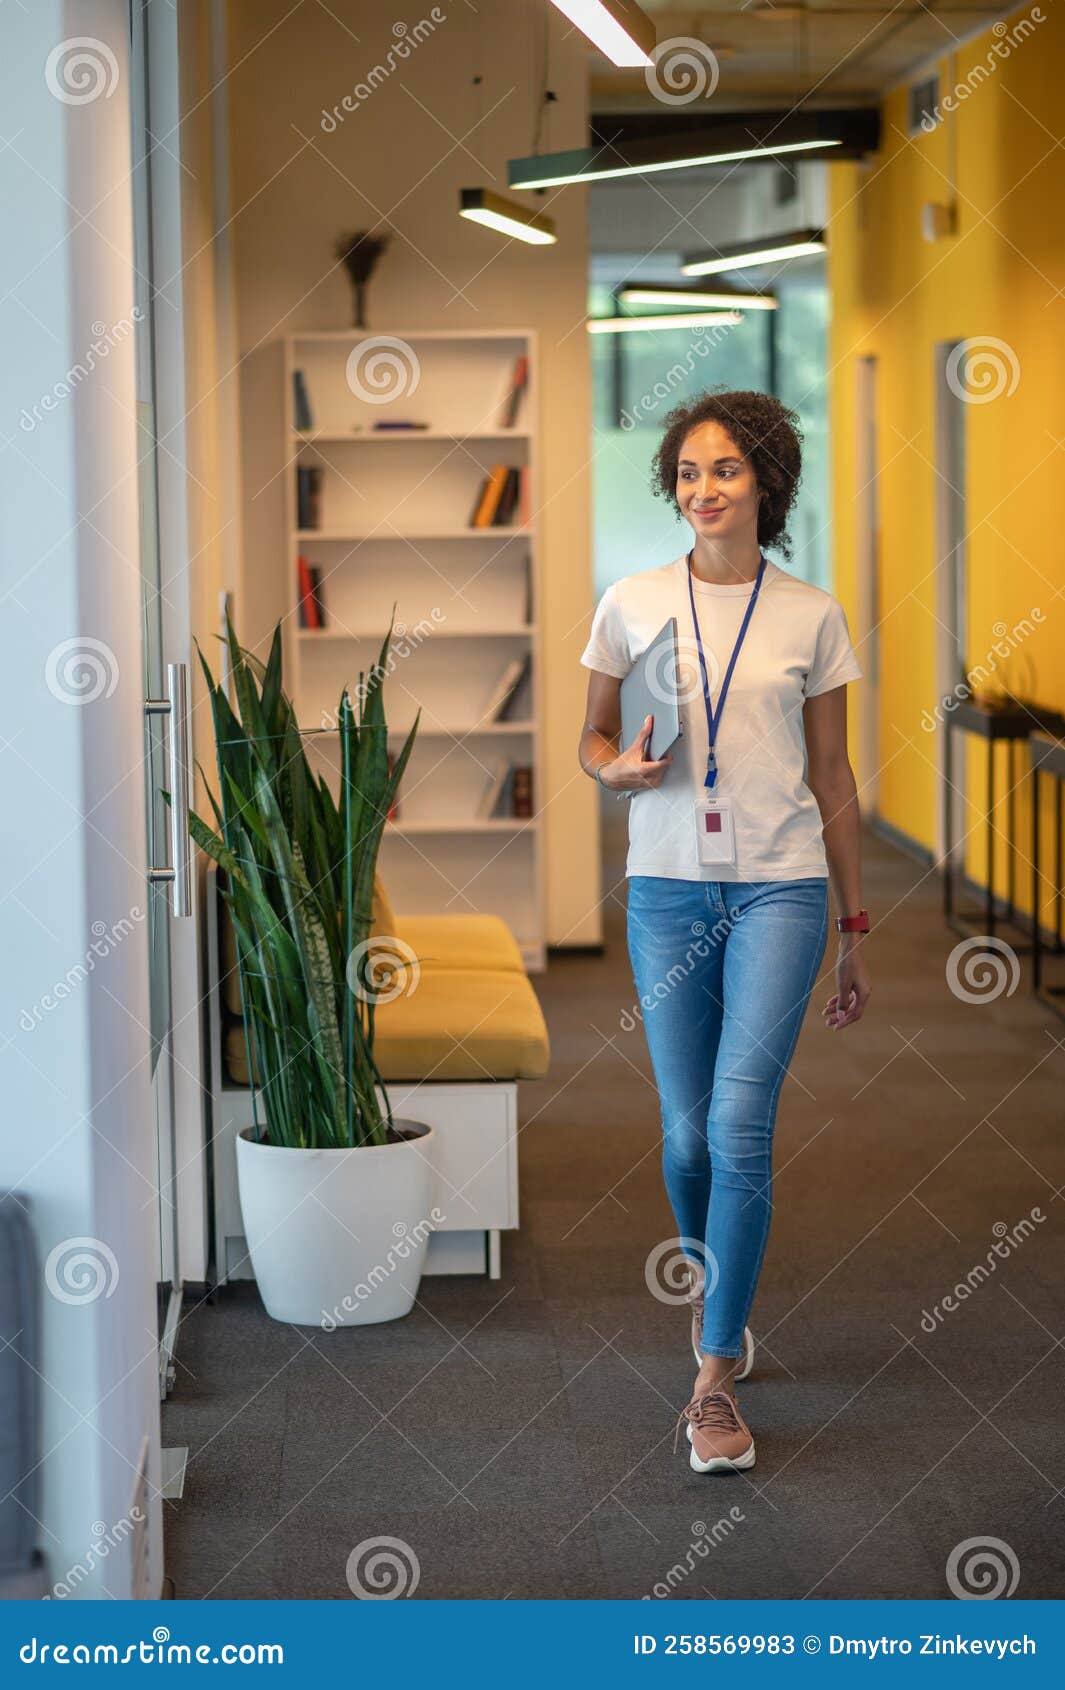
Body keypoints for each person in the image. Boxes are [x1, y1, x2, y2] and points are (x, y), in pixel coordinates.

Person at [577, 390, 871, 1474]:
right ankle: (724, 1293)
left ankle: (711, 1376)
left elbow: (833, 775)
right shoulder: (632, 600)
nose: (704, 489)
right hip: (664, 886)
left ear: (767, 485)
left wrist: (853, 921)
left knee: (743, 1124)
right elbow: (590, 737)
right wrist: (617, 768)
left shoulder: (812, 613)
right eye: (689, 472)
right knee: (690, 1132)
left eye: (727, 471)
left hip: (780, 890)